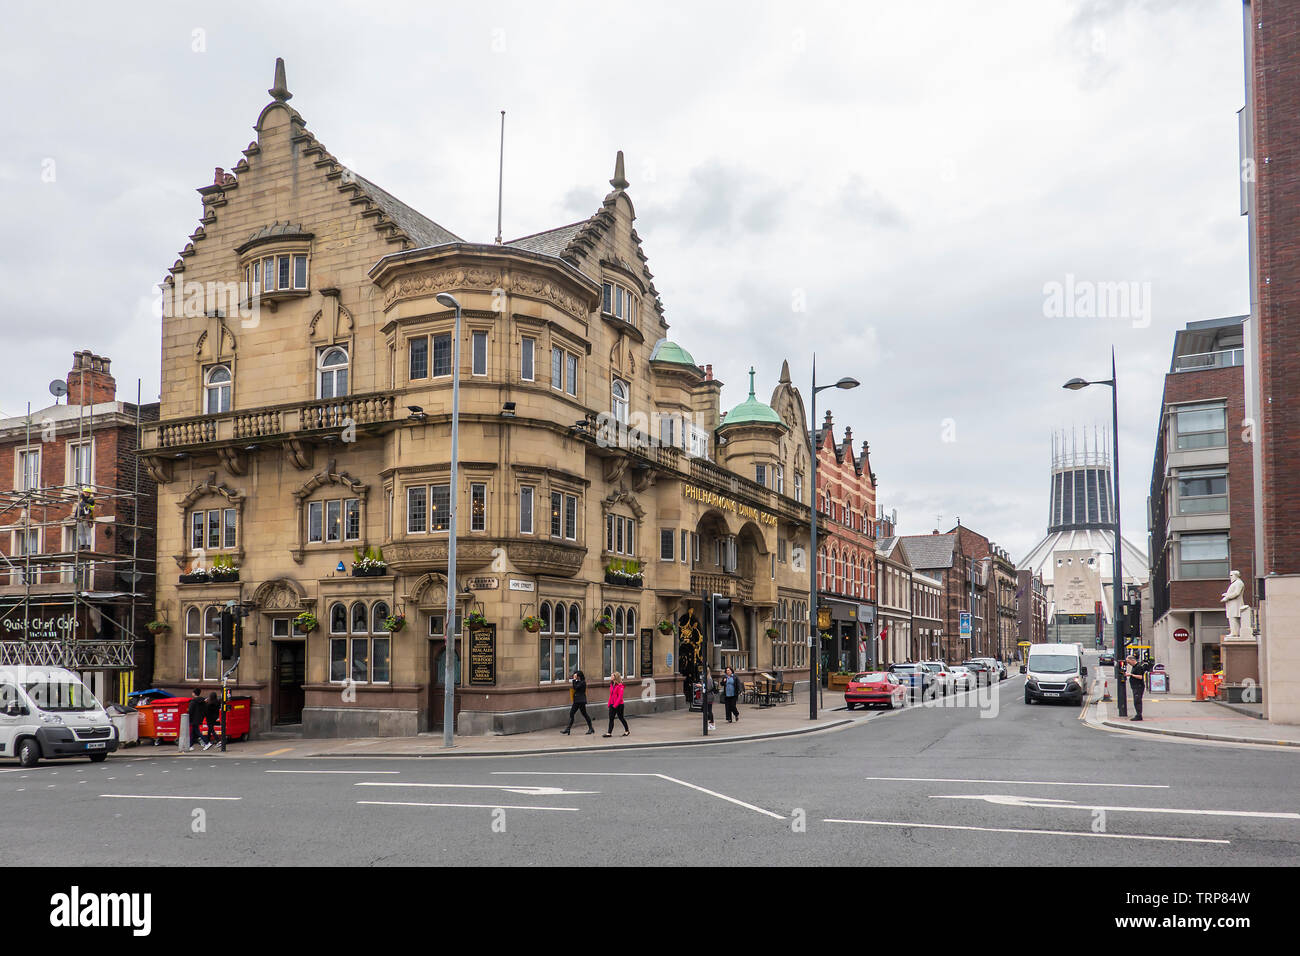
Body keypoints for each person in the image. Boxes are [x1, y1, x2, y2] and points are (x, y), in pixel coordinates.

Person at [561, 669, 594, 735]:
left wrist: (574, 680)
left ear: (579, 676)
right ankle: (568, 729)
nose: (574, 676)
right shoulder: (578, 681)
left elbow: (575, 688)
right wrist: (575, 680)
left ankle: (591, 728)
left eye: (576, 675)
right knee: (572, 713)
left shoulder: (582, 682)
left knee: (584, 714)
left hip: (581, 701)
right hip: (576, 701)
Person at [1125, 654, 1152, 721]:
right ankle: (1138, 714)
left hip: (1138, 686)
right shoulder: (1134, 666)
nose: (1128, 663)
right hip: (1135, 686)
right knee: (1136, 701)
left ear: (1133, 660)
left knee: (1137, 701)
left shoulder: (1138, 667)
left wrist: (1131, 674)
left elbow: (1140, 677)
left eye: (1129, 662)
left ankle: (1139, 715)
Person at [603, 672, 629, 737]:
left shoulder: (620, 686)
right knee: (611, 718)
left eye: (612, 676)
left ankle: (627, 730)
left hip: (619, 705)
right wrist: (609, 704)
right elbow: (611, 695)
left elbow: (620, 697)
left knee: (621, 718)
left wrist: (615, 705)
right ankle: (609, 733)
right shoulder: (612, 684)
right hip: (612, 704)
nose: (611, 677)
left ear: (615, 677)